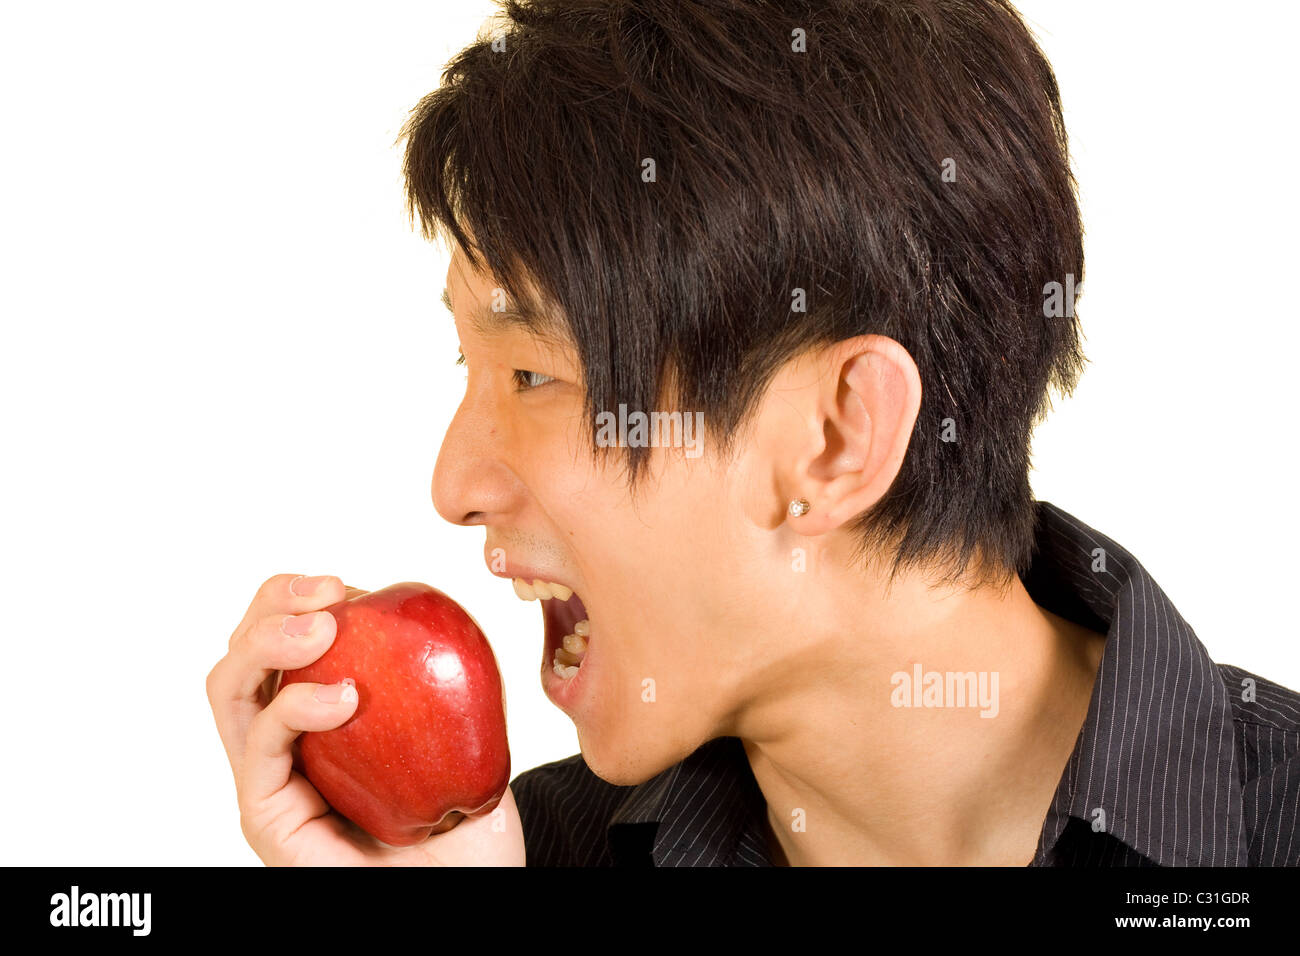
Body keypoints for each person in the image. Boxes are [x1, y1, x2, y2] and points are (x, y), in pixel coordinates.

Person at [206, 0, 1300, 866]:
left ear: (835, 437)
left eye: (534, 374)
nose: (452, 485)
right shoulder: (522, 850)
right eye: (469, 366)